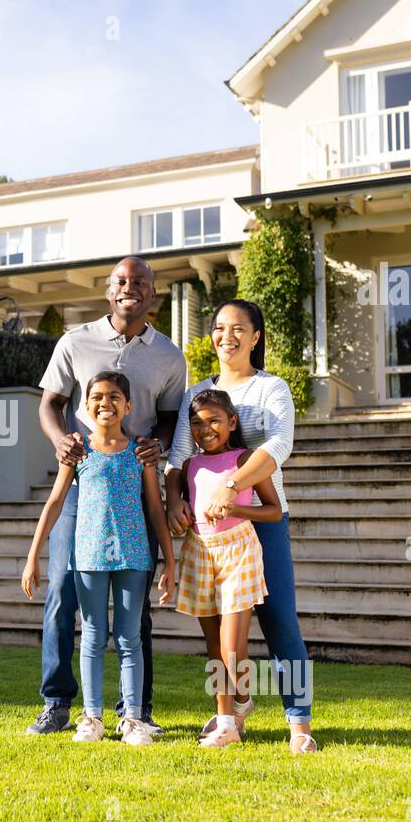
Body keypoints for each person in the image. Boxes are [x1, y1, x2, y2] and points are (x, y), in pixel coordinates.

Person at [27, 257, 186, 736]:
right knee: (61, 589)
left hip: (137, 483)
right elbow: (51, 404)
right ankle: (58, 703)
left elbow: (169, 416)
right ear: (108, 290)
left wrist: (155, 445)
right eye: (121, 281)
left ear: (152, 294)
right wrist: (59, 441)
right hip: (85, 481)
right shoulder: (75, 341)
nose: (129, 288)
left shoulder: (169, 356)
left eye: (139, 282)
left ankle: (134, 710)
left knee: (134, 605)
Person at [165, 299, 318, 754]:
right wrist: (174, 501)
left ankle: (299, 724)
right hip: (208, 535)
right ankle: (236, 706)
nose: (226, 336)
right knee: (218, 634)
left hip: (262, 523)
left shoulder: (272, 388)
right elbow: (178, 458)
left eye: (238, 328)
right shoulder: (197, 392)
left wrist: (232, 485)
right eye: (218, 327)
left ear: (256, 337)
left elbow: (280, 443)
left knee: (279, 622)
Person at [22, 371, 175, 744]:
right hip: (88, 555)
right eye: (97, 397)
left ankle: (134, 719)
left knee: (129, 638)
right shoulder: (78, 452)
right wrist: (32, 557)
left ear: (128, 405)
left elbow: (156, 509)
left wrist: (170, 562)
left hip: (134, 555)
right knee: (92, 636)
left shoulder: (141, 453)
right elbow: (55, 502)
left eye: (113, 397)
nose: (105, 402)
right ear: (85, 406)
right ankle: (91, 718)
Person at [172, 388, 281, 748]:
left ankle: (235, 711)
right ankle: (227, 717)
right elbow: (184, 500)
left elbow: (273, 510)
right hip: (200, 553)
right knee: (214, 645)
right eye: (197, 424)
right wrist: (182, 514)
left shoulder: (245, 460)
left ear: (232, 422)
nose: (205, 430)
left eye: (214, 421)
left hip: (239, 552)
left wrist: (236, 508)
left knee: (232, 646)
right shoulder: (189, 465)